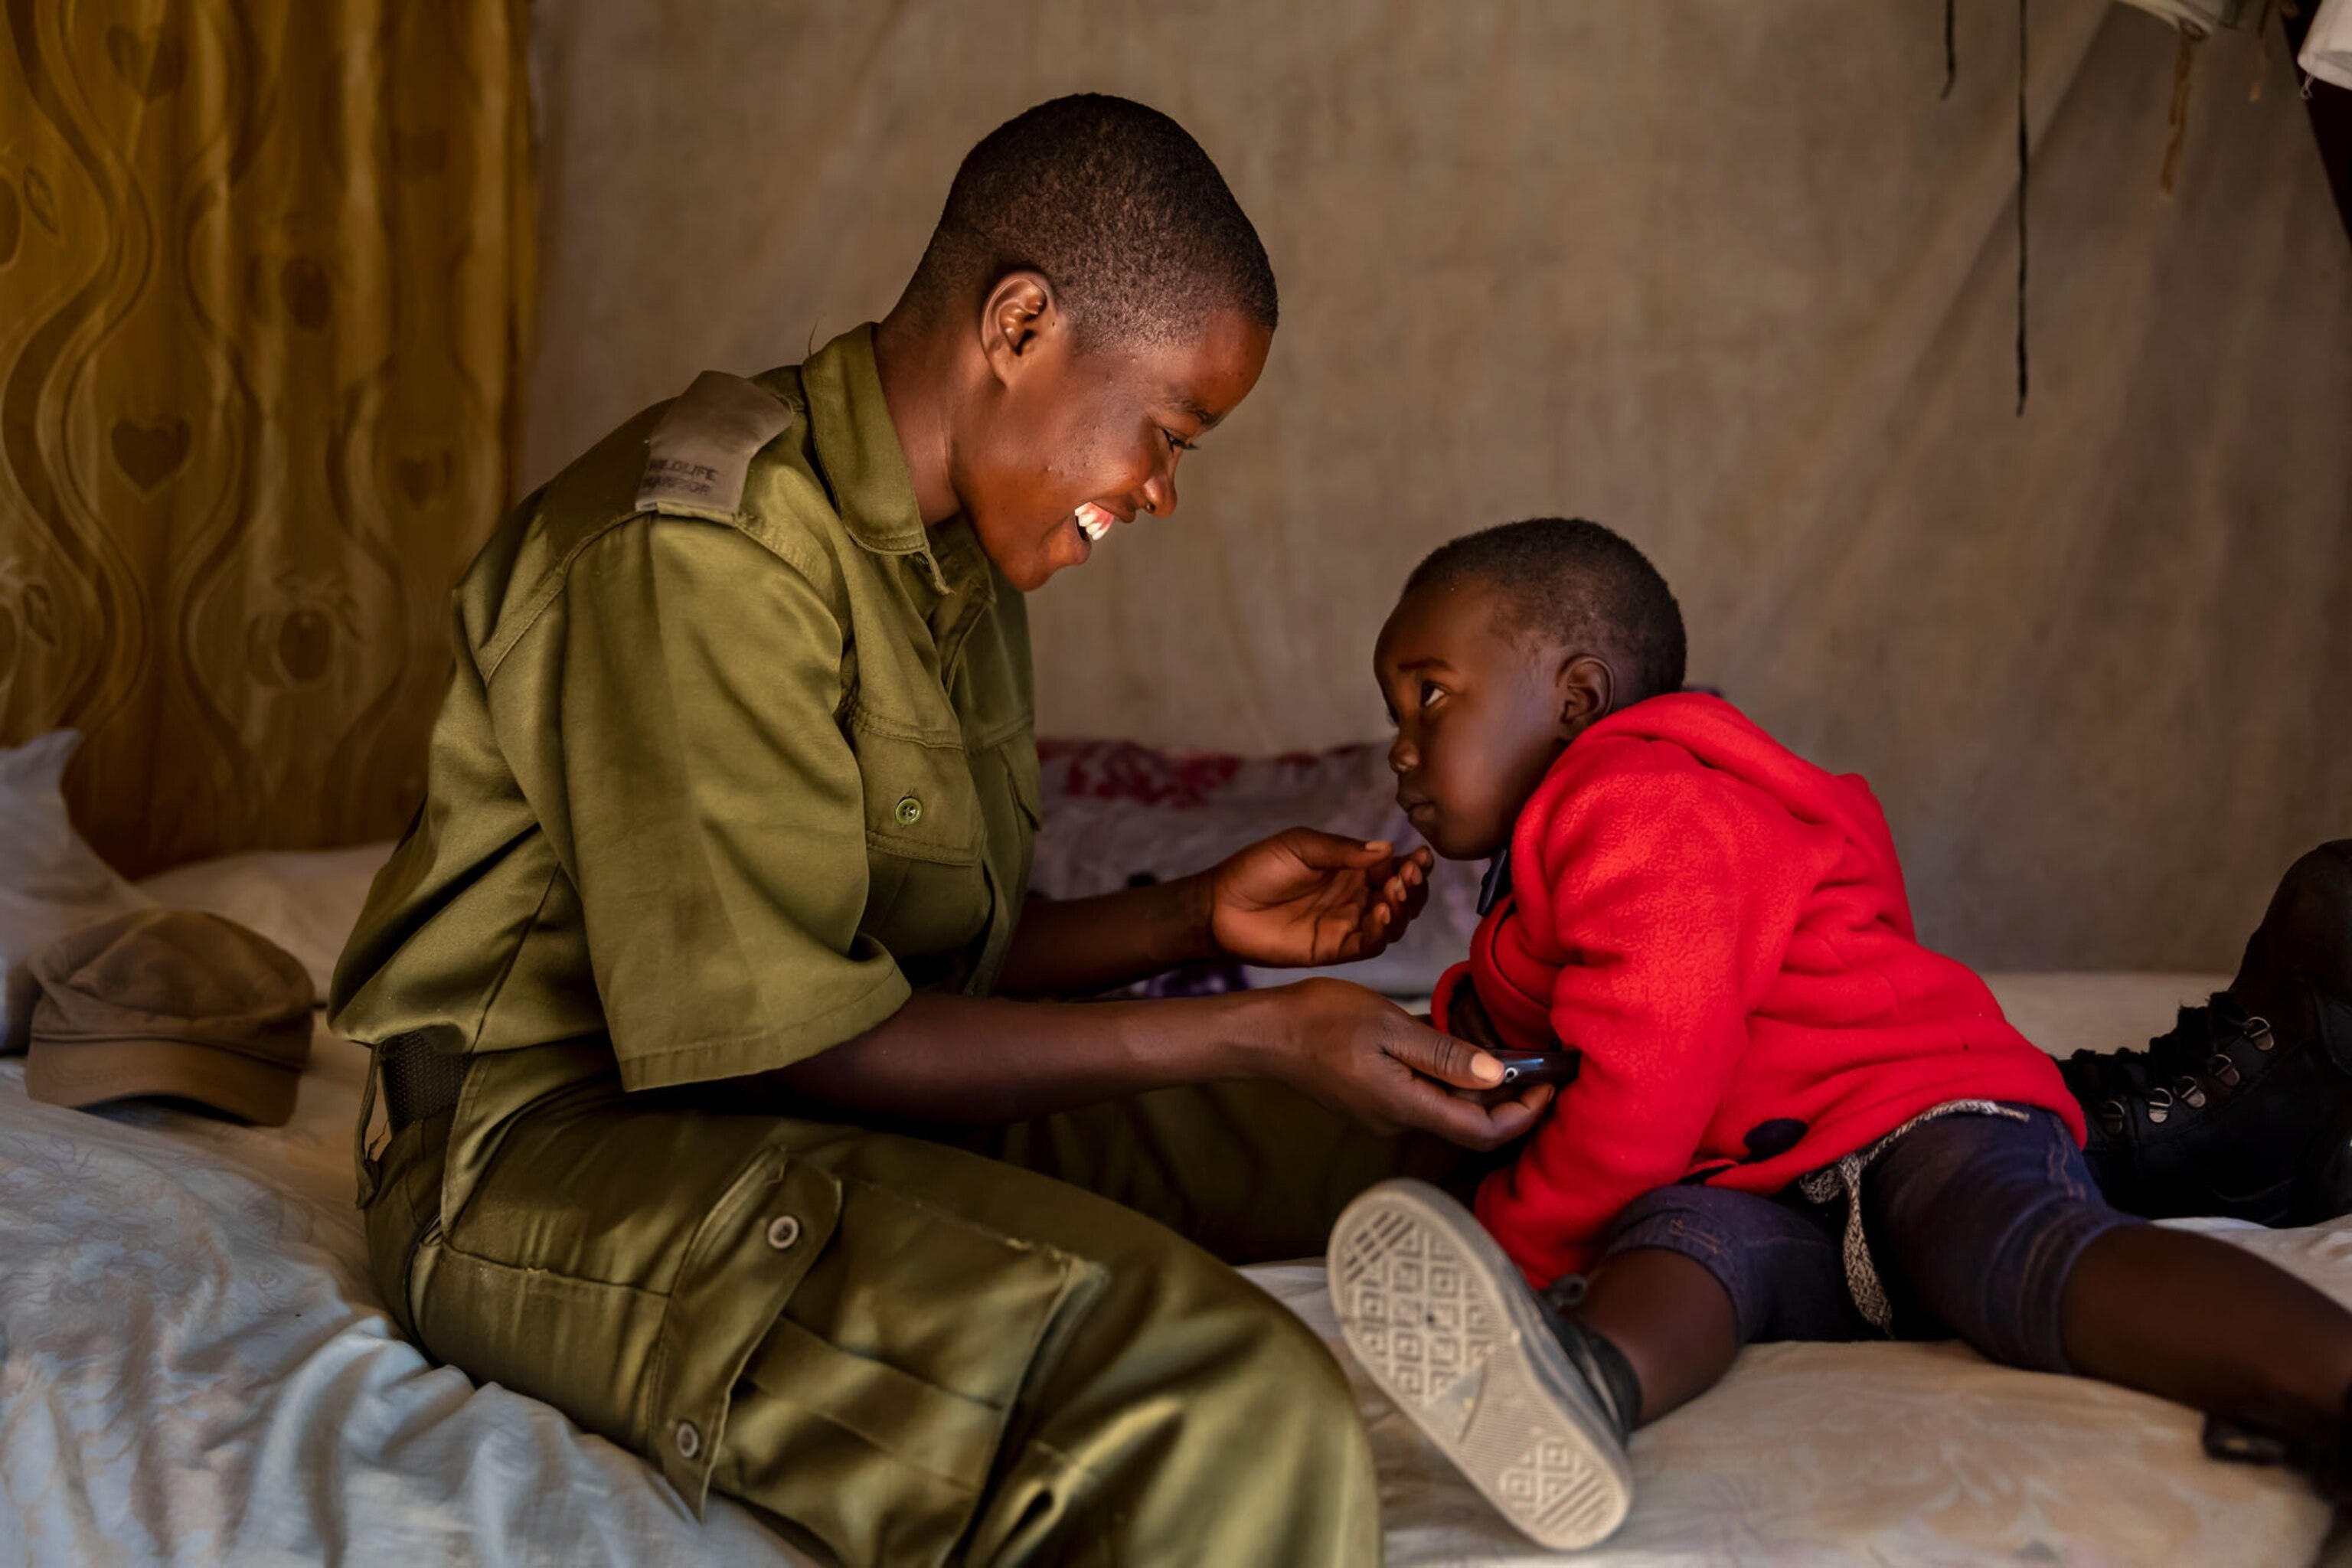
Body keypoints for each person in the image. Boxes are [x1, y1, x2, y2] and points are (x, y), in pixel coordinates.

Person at [335, 93, 2352, 1566]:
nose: (1161, 494)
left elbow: (893, 967)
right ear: (1021, 330)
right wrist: (1226, 1023)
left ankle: (2096, 1140)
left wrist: (1187, 921)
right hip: (575, 1149)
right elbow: (779, 1035)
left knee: (1437, 1119)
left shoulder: (955, 571)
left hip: (786, 1068)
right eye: (1168, 433)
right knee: (1226, 1415)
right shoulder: (709, 552)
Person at [1327, 518, 2352, 1551]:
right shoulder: (1547, 867)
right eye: (1394, 713)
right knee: (1687, 1247)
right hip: (1776, 1185)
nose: (1401, 748)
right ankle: (1587, 1383)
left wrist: (1520, 1240)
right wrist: (1458, 1026)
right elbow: (1536, 1030)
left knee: (2010, 1247)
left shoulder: (1642, 800)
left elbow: (1651, 1064)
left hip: (1914, 1121)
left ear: (1578, 700)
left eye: (1430, 695)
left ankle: (2331, 1381)